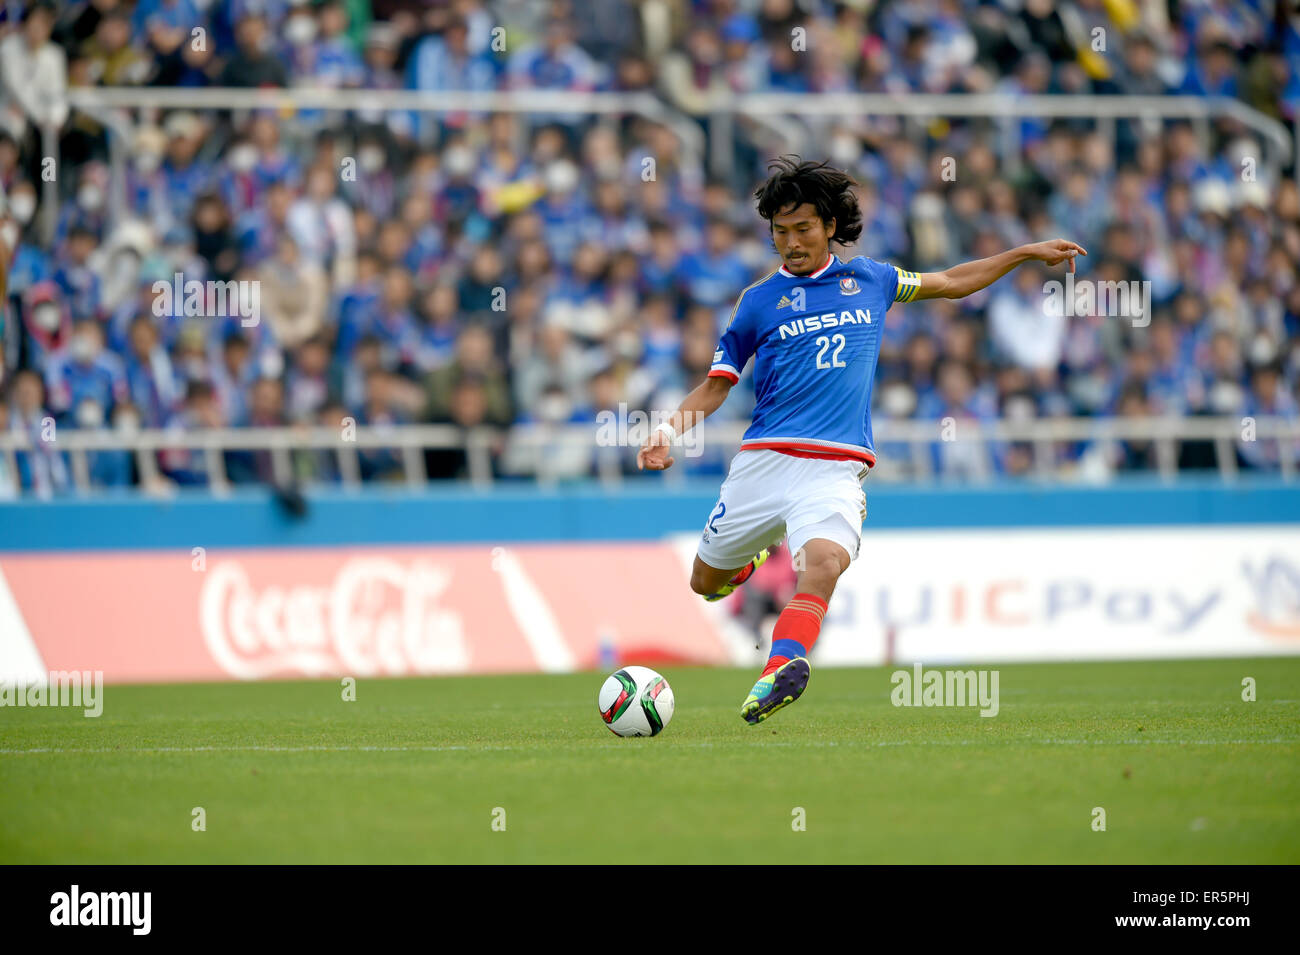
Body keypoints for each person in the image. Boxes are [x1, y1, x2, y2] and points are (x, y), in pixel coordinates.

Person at [636, 156, 1086, 724]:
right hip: (763, 463)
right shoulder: (757, 301)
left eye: (803, 229)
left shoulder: (871, 279)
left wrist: (1023, 253)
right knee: (705, 582)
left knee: (824, 562)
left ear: (828, 226)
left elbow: (949, 283)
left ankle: (783, 663)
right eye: (781, 231)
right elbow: (715, 386)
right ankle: (746, 560)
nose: (792, 242)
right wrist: (666, 429)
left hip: (834, 467)